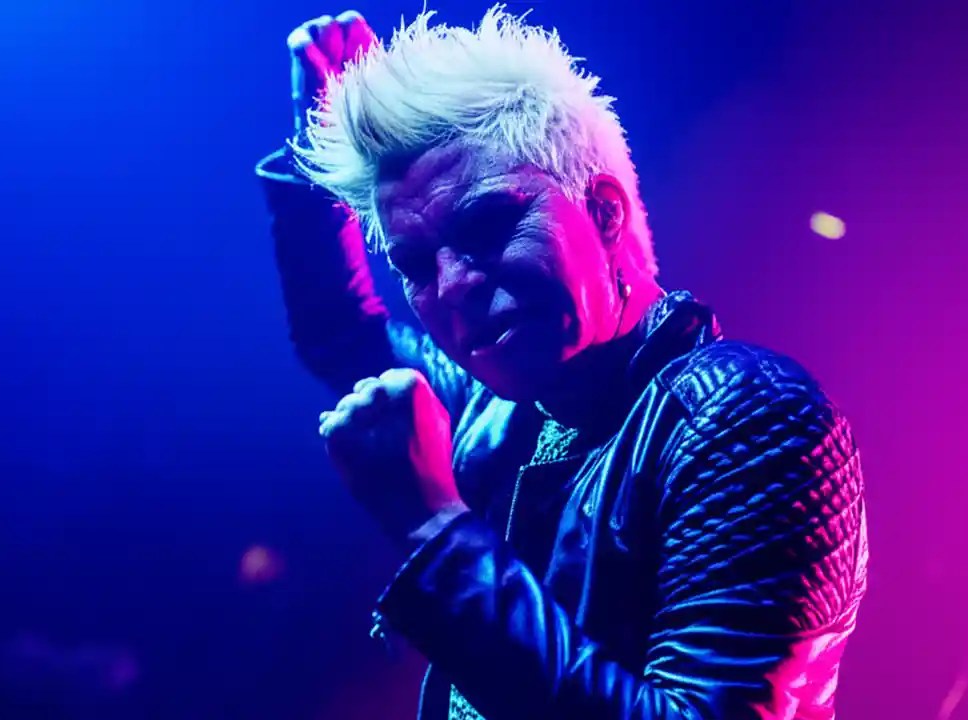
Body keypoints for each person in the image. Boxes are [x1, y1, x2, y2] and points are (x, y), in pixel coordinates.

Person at [254, 7, 868, 719]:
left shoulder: (745, 419)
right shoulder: (496, 412)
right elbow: (340, 333)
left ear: (604, 211)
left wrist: (435, 533)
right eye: (416, 265)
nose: (451, 286)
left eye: (486, 225)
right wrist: (316, 136)